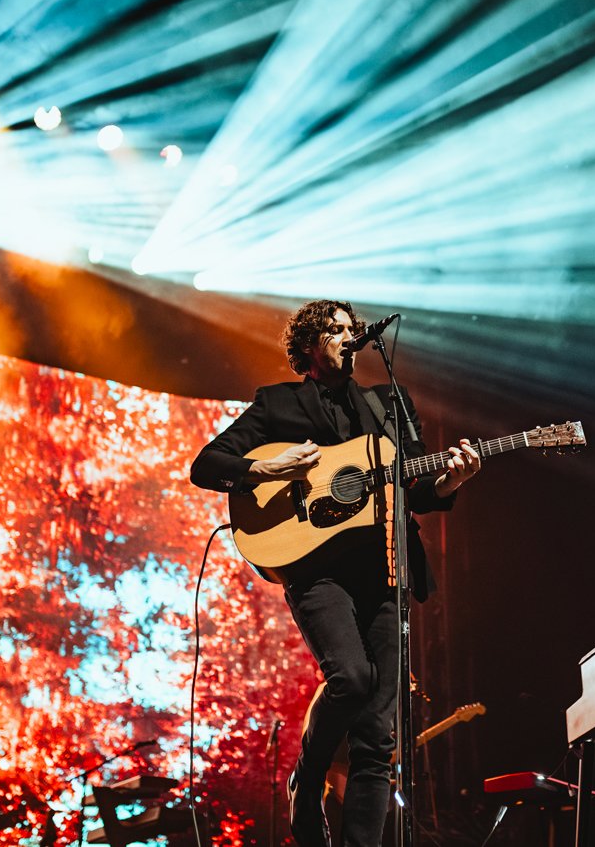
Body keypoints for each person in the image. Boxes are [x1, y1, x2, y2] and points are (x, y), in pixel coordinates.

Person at [190, 300, 481, 847]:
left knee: (378, 739)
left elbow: (418, 490)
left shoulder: (387, 404)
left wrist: (451, 481)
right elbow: (206, 464)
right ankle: (308, 772)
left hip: (387, 571)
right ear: (307, 347)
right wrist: (268, 466)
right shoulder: (277, 403)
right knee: (351, 677)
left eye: (352, 329)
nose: (348, 336)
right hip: (317, 571)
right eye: (334, 329)